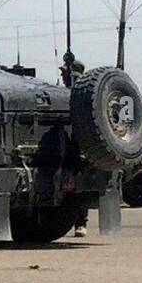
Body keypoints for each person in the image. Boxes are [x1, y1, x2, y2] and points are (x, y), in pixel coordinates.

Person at [60, 55, 89, 236]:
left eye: (66, 74)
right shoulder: (65, 91)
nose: (63, 77)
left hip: (79, 144)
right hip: (68, 144)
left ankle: (81, 222)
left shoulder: (81, 91)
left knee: (78, 186)